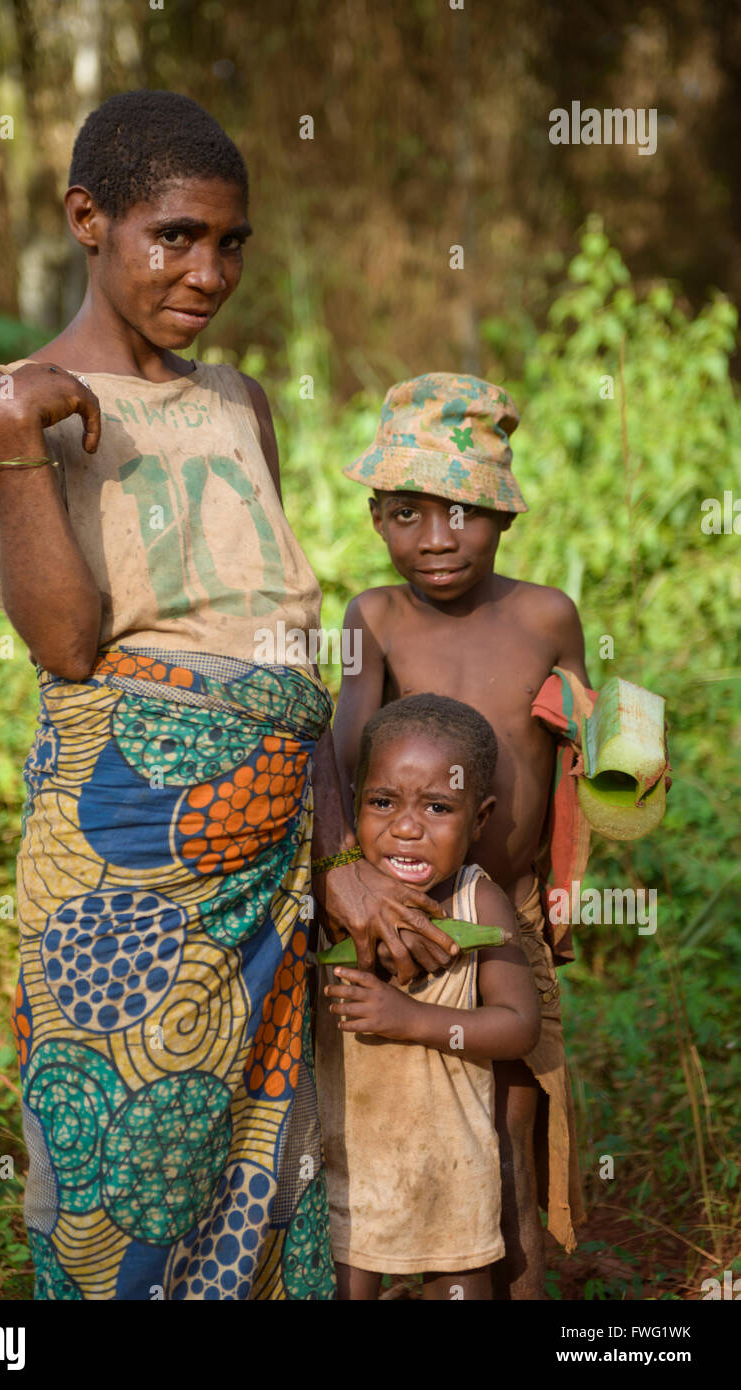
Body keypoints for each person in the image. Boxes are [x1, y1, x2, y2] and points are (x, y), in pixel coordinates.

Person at [0, 90, 449, 1301]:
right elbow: (69, 642)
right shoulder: (9, 399)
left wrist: (333, 844)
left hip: (269, 854)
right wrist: (20, 439)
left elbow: (290, 654)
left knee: (259, 1166)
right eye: (173, 234)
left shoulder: (236, 399)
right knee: (126, 1163)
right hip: (130, 849)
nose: (208, 268)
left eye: (230, 241)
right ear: (88, 218)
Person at [332, 372, 593, 1298]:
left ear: (504, 516)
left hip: (508, 916)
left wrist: (622, 763)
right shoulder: (374, 618)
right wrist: (353, 888)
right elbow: (342, 755)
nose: (434, 539)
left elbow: (584, 748)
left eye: (463, 512)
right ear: (376, 519)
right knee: (392, 1141)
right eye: (406, 513)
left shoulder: (544, 615)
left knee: (510, 1138)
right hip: (408, 920)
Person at [317, 694, 540, 1299]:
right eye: (382, 802)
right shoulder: (333, 908)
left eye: (438, 807)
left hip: (452, 1170)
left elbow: (520, 1025)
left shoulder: (476, 903)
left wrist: (410, 1018)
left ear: (481, 818)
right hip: (349, 1170)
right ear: (353, 803)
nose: (406, 828)